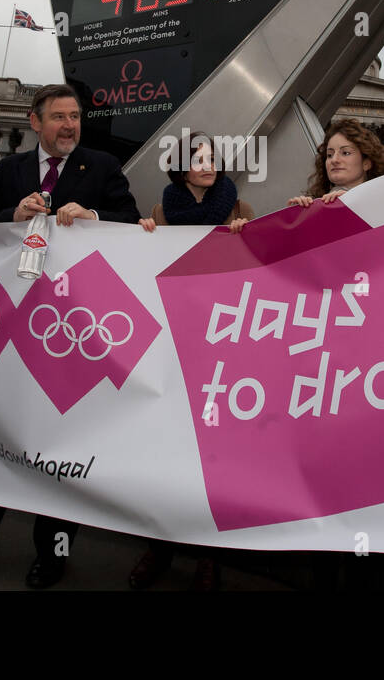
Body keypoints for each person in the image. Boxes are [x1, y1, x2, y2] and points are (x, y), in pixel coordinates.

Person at [0, 83, 140, 590]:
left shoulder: (103, 167)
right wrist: (12, 216)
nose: (70, 125)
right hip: (8, 329)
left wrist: (92, 218)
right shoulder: (11, 170)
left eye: (75, 117)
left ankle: (52, 554)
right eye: (60, 117)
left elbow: (131, 223)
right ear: (35, 122)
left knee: (58, 447)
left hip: (69, 332)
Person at [135, 132, 251, 590]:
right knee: (168, 454)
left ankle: (208, 557)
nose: (206, 163)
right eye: (196, 158)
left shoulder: (241, 210)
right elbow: (151, 270)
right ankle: (158, 549)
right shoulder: (162, 213)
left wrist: (246, 241)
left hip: (224, 344)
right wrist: (143, 238)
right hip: (176, 339)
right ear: (180, 167)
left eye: (211, 157)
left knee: (214, 460)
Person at [287, 118, 384, 207]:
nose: (334, 160)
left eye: (346, 153)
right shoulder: (314, 205)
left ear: (366, 163)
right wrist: (300, 215)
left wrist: (354, 204)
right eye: (329, 155)